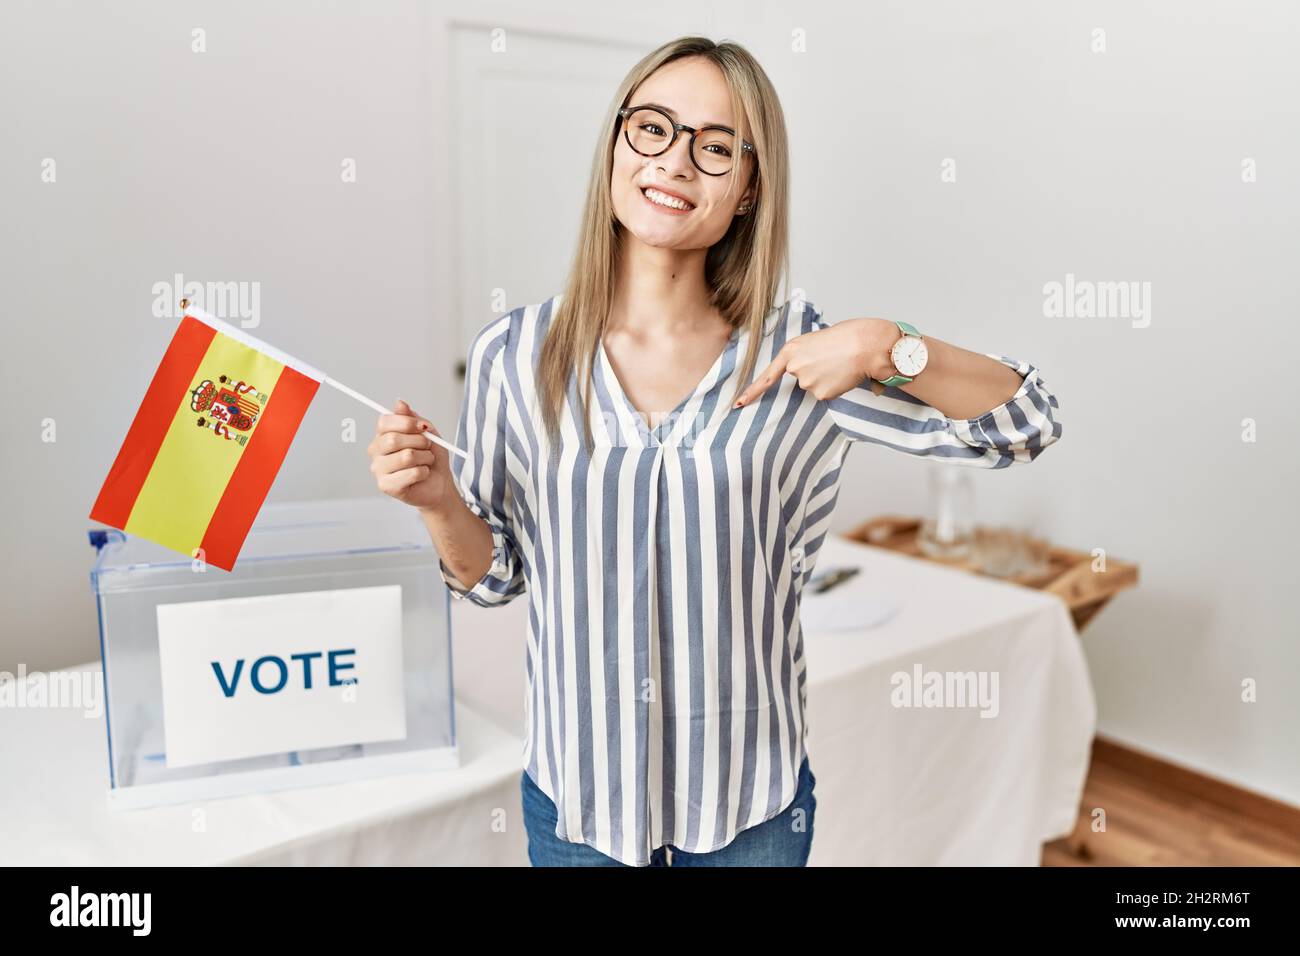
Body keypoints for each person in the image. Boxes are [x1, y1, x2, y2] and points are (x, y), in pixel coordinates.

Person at [367, 36, 1062, 867]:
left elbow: (1023, 423)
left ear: (747, 188)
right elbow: (496, 578)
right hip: (579, 806)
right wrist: (440, 500)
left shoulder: (804, 356)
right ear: (618, 144)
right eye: (652, 128)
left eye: (716, 146)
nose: (676, 162)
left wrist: (888, 345)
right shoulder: (513, 356)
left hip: (753, 811)